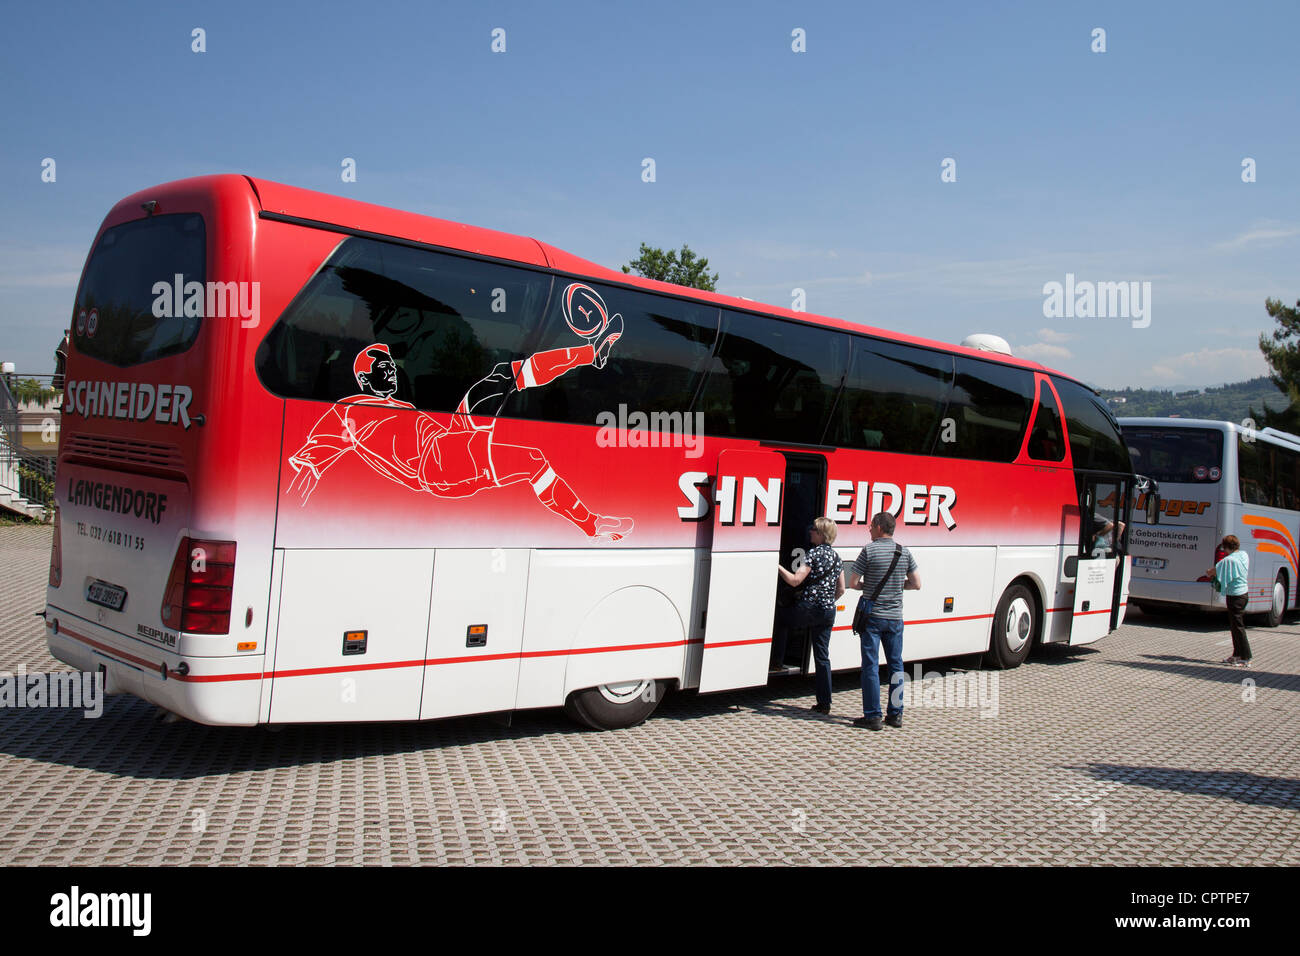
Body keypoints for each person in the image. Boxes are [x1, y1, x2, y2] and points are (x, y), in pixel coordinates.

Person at [287, 283, 634, 540]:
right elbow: (317, 449)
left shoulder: (398, 405)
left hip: (446, 443)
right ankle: (590, 524)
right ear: (363, 377)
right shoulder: (351, 409)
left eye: (391, 364)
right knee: (530, 460)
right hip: (436, 464)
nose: (391, 370)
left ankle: (591, 353)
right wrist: (307, 470)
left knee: (502, 376)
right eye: (383, 367)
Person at [847, 512, 920, 729]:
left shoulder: (868, 551)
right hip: (895, 618)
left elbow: (853, 582)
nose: (869, 529)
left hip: (873, 618)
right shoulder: (904, 552)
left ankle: (873, 716)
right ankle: (895, 715)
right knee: (896, 665)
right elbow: (916, 583)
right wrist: (899, 586)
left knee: (870, 666)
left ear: (879, 527)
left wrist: (866, 587)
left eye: (871, 526)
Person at [773, 518, 845, 714]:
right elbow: (842, 589)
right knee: (822, 656)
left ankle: (777, 661)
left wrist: (777, 566)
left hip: (809, 608)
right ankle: (824, 703)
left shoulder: (813, 554)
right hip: (828, 612)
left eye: (813, 529)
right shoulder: (837, 558)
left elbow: (796, 580)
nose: (810, 531)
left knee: (781, 620)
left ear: (821, 534)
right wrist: (827, 601)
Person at [1208, 535, 1251, 666]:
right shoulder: (1243, 555)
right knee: (1235, 626)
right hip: (1243, 594)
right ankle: (1237, 654)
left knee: (1238, 627)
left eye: (1224, 547)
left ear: (1226, 547)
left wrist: (1209, 572)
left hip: (1235, 596)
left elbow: (1213, 571)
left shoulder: (1229, 560)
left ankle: (1245, 657)